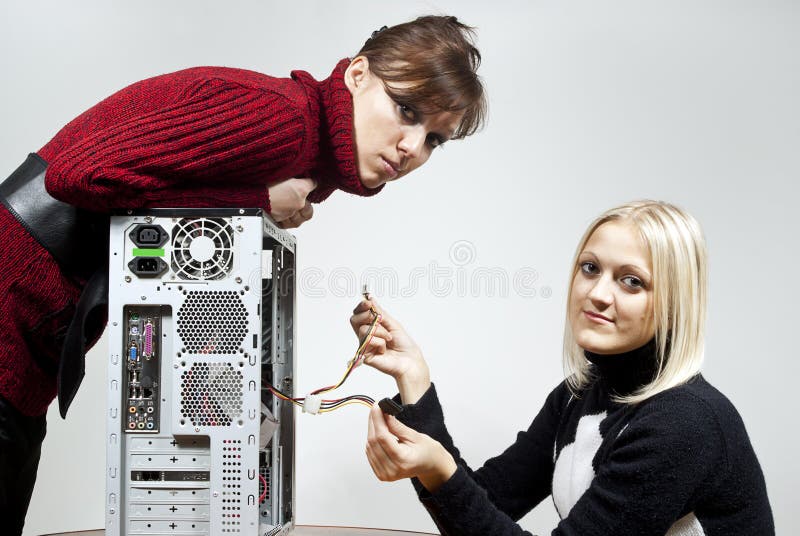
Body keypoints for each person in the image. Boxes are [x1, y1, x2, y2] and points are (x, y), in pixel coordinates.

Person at [0, 15, 486, 532]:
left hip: (29, 340)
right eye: (405, 110)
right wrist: (255, 201)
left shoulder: (303, 141)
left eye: (435, 138)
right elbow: (77, 174)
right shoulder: (287, 118)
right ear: (358, 74)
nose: (412, 147)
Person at [351, 200, 774, 535]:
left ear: (673, 304)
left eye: (631, 281)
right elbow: (485, 503)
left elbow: (464, 499)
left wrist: (437, 470)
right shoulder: (577, 395)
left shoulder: (684, 423)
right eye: (590, 268)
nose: (597, 294)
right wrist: (415, 380)